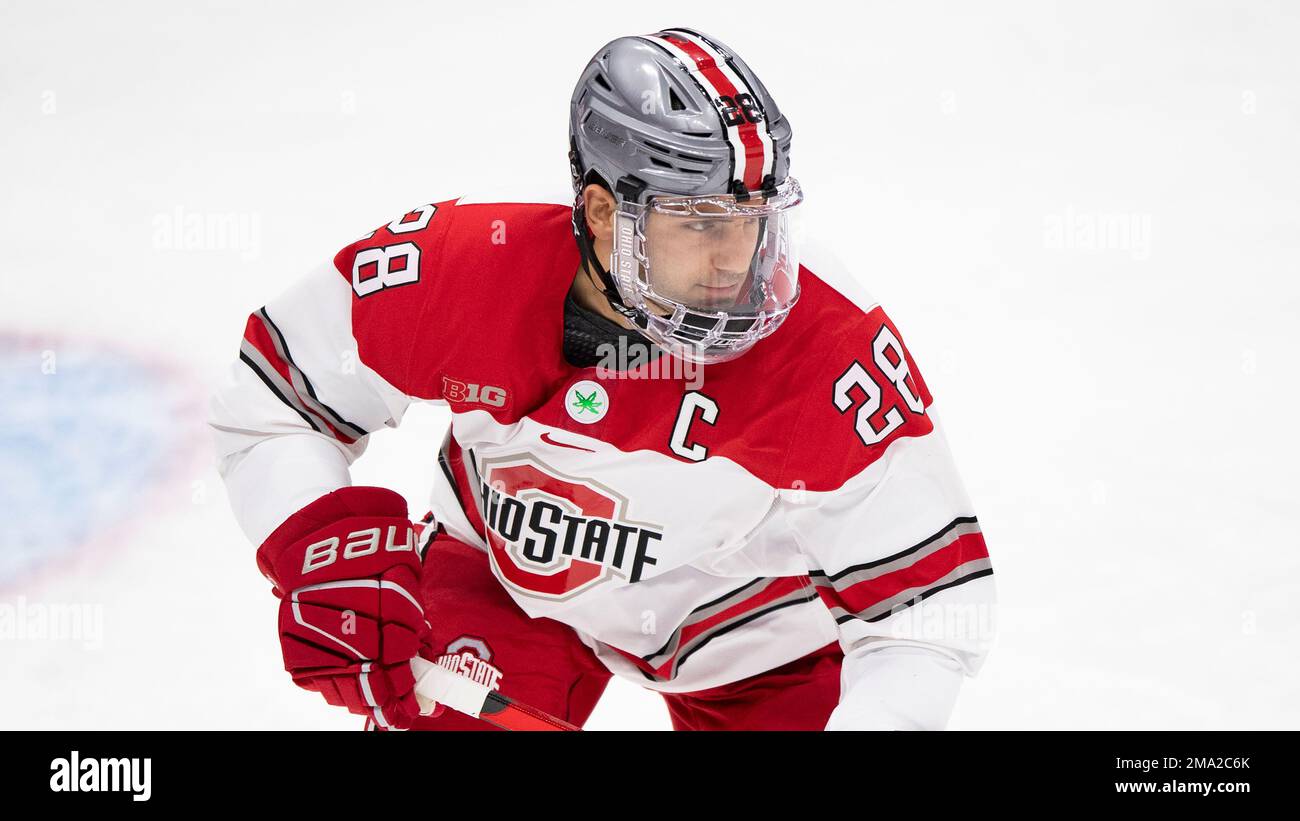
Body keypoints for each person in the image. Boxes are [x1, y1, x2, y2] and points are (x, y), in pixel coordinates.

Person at [209, 27, 996, 731]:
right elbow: (276, 401)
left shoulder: (829, 352)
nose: (740, 263)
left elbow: (924, 613)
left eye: (755, 222)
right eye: (699, 223)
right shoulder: (459, 271)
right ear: (602, 211)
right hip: (505, 578)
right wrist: (321, 544)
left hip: (759, 645)